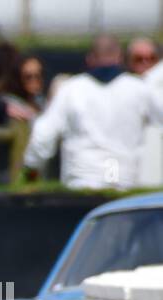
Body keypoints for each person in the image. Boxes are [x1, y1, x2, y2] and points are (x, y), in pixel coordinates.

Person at [24, 35, 163, 190]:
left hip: (82, 179)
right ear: (119, 58)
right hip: (123, 179)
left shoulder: (71, 89)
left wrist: (32, 169)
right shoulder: (139, 89)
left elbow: (43, 134)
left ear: (89, 59)